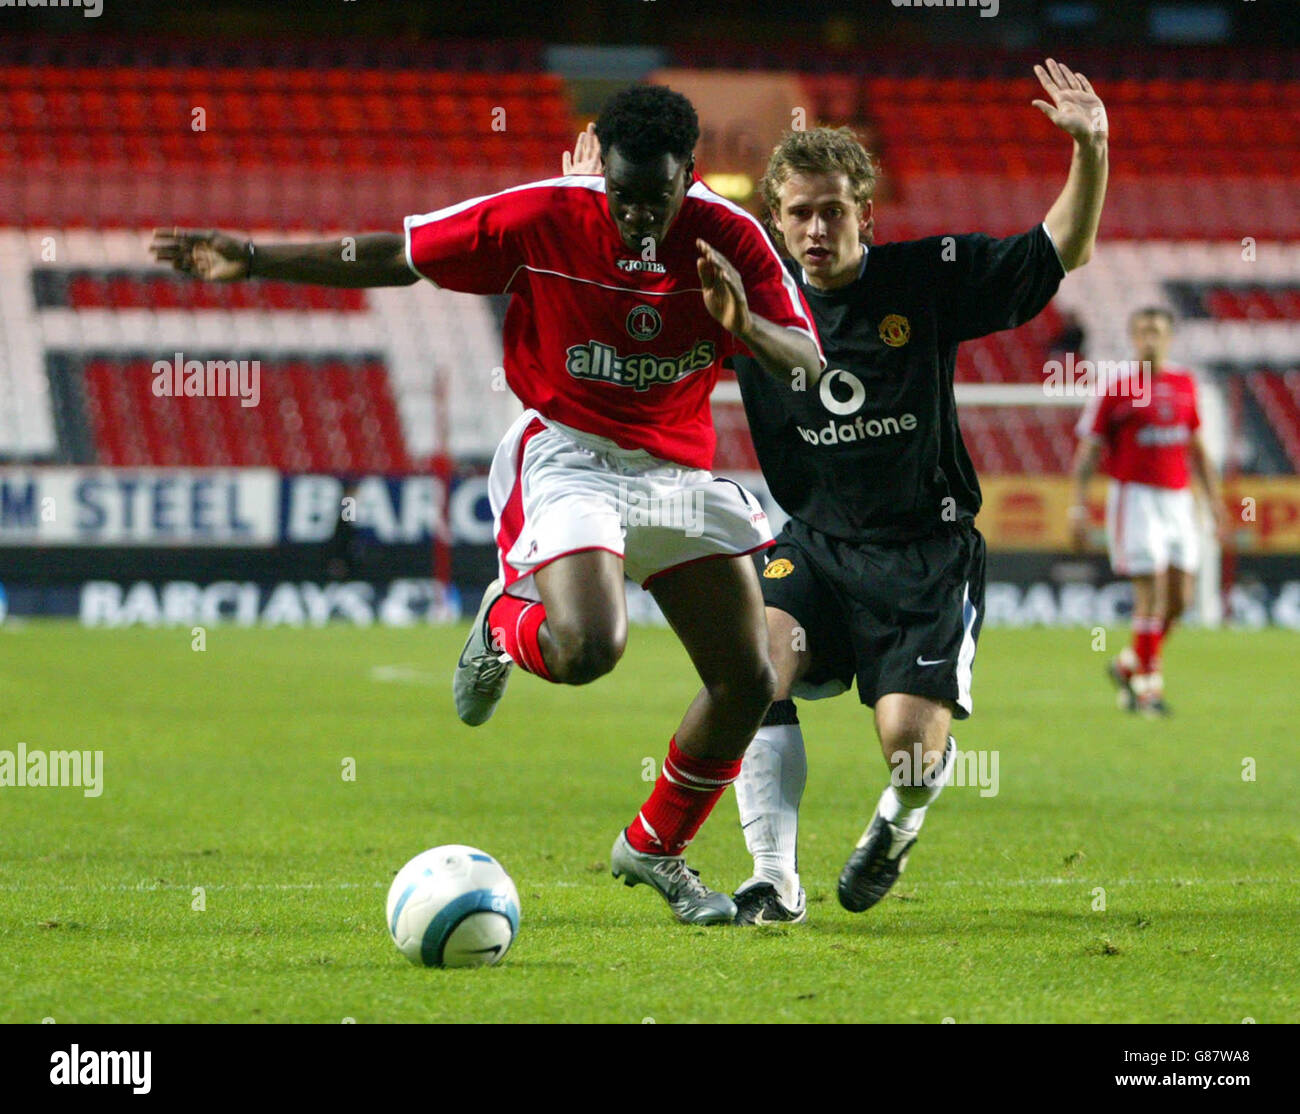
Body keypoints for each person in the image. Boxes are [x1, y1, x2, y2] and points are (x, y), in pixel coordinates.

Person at [152, 85, 824, 926]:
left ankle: (654, 848)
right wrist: (254, 257)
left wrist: (745, 326)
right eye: (621, 197)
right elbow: (397, 253)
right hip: (571, 454)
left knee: (747, 679)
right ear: (601, 177)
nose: (637, 218)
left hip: (675, 476)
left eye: (657, 198)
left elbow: (807, 363)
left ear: (689, 175)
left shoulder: (732, 240)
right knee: (587, 648)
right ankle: (506, 619)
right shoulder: (542, 216)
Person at [566, 59, 1108, 924]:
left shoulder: (926, 277)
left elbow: (1061, 251)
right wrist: (589, 196)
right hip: (814, 544)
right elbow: (617, 285)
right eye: (799, 213)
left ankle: (895, 828)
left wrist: (1091, 149)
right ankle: (775, 881)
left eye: (832, 210)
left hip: (925, 556)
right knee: (755, 670)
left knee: (906, 747)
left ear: (864, 209)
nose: (816, 229)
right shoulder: (743, 293)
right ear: (776, 219)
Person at [1070, 307, 1227, 716]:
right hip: (1134, 498)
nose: (1150, 338)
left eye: (1157, 331)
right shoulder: (1116, 384)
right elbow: (1088, 453)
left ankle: (1127, 664)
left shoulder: (1185, 383)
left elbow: (1196, 448)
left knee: (1179, 599)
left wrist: (1215, 502)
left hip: (1178, 500)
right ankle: (1146, 689)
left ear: (1171, 336)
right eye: (1142, 331)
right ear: (1132, 336)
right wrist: (1078, 507)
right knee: (1150, 593)